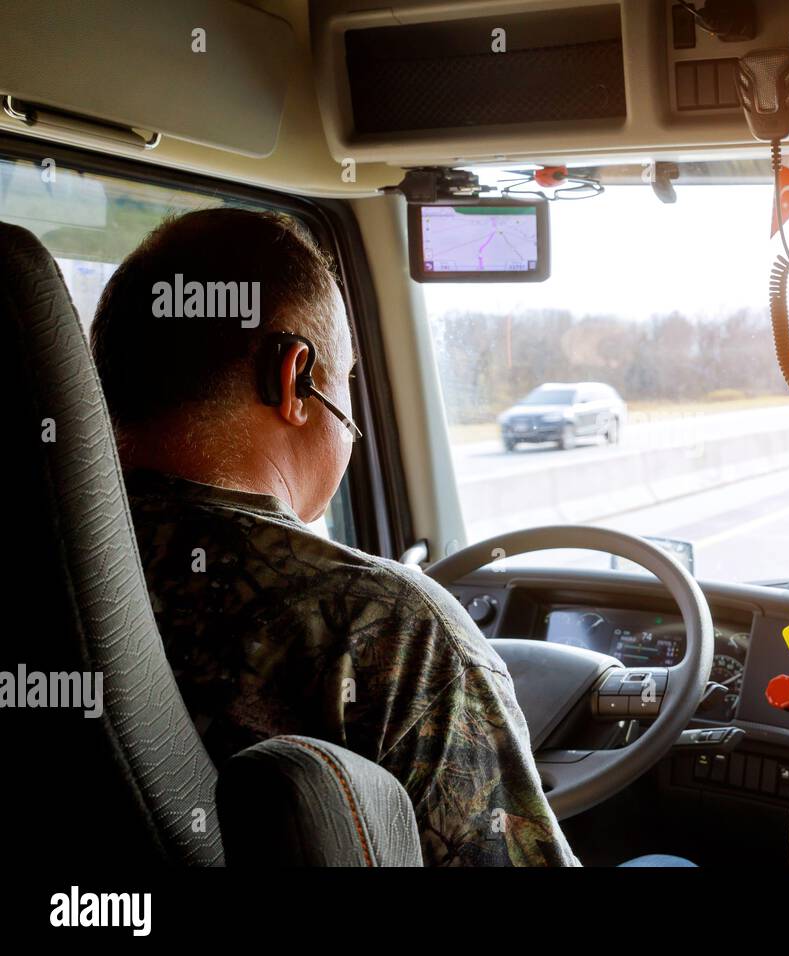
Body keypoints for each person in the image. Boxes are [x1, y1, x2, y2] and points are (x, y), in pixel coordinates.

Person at [89, 208, 579, 866]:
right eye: (345, 380)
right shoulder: (389, 629)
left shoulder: (49, 572)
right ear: (295, 378)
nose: (350, 423)